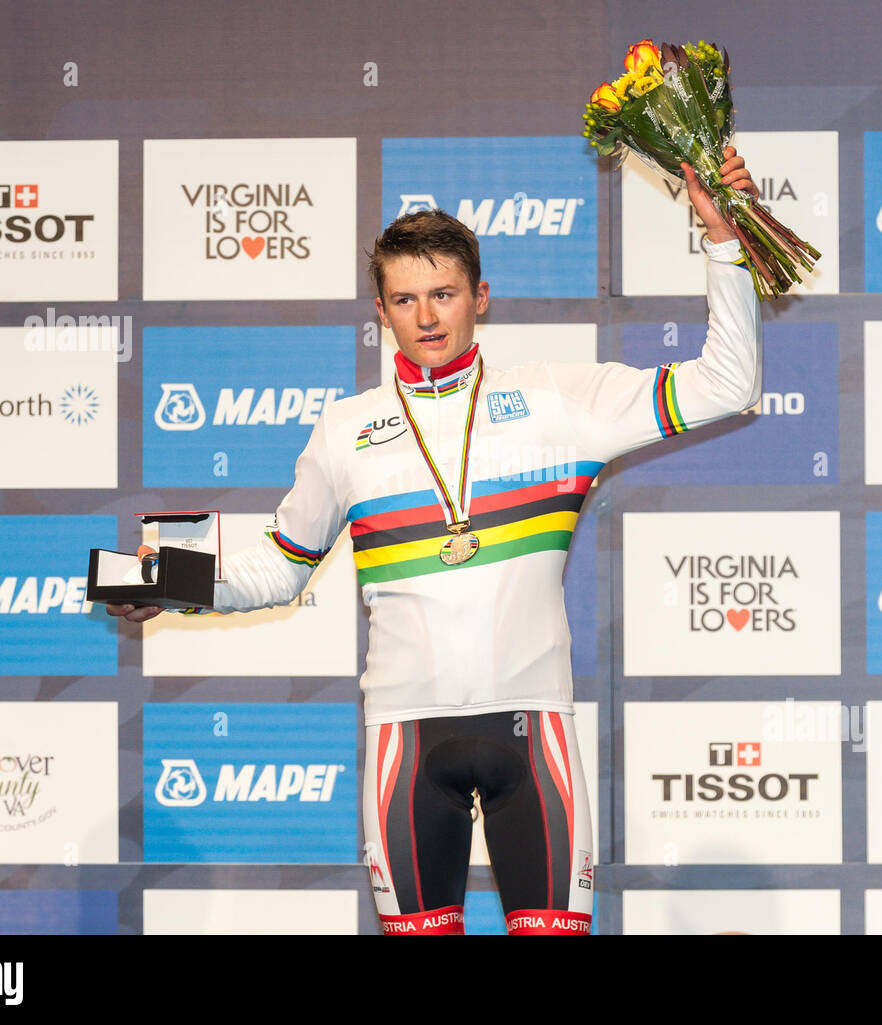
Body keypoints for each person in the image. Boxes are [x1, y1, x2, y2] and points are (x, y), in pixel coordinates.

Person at [109, 148, 762, 935]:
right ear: (380, 310)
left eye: (444, 294)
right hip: (406, 739)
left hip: (534, 728)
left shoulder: (559, 400)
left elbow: (729, 384)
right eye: (405, 299)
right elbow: (281, 569)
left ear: (480, 297)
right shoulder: (346, 431)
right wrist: (171, 580)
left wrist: (724, 240)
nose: (426, 317)